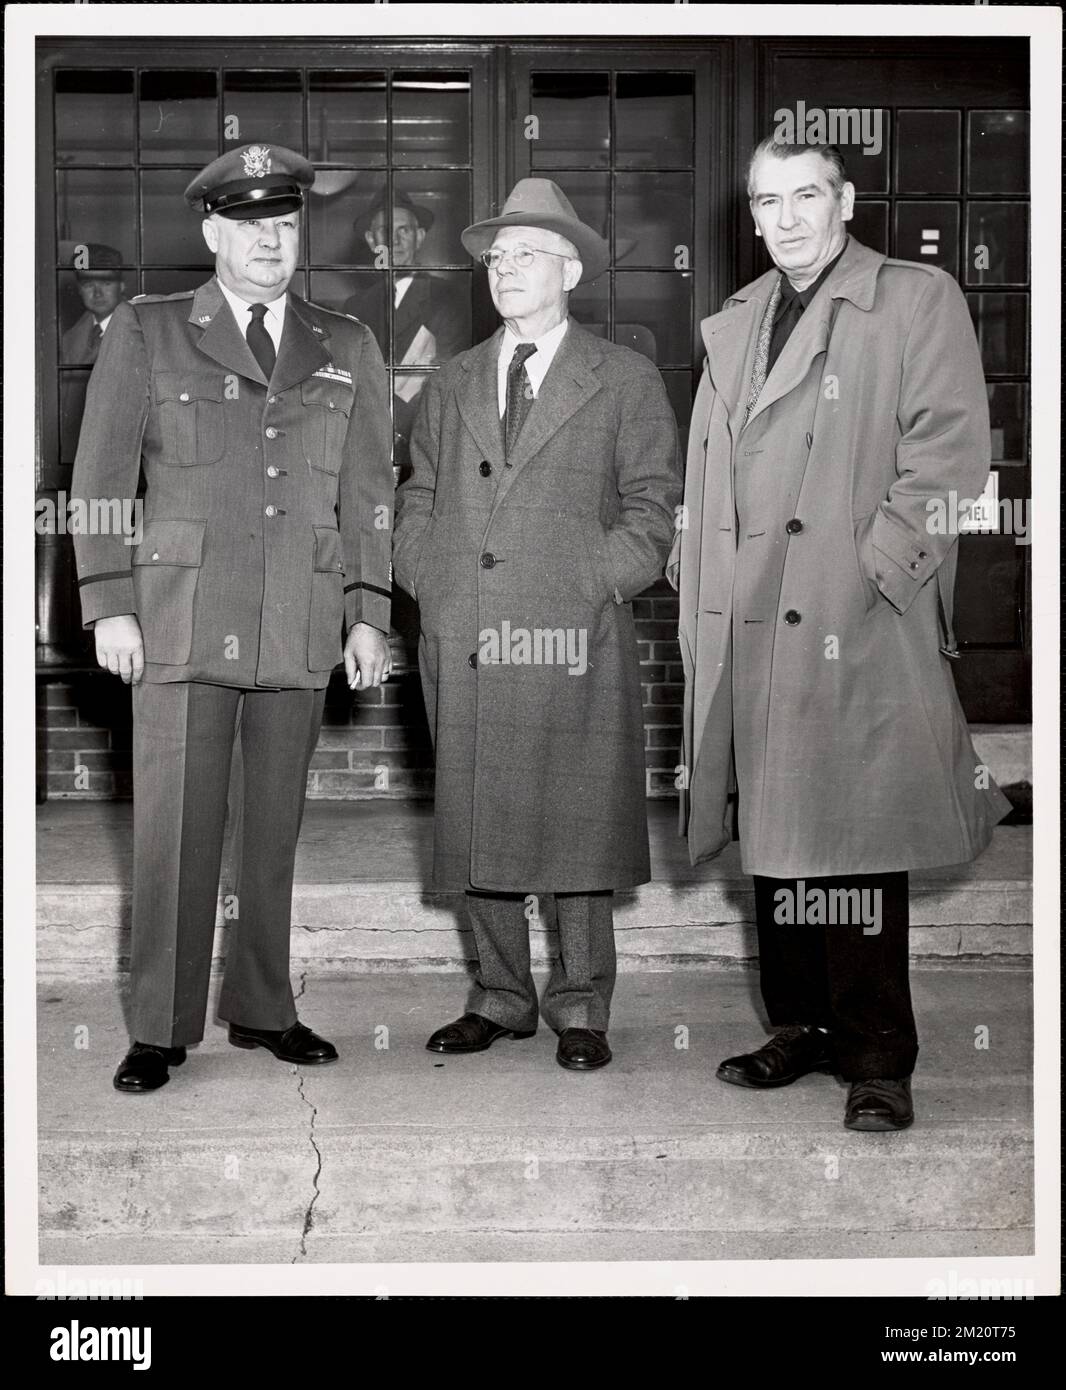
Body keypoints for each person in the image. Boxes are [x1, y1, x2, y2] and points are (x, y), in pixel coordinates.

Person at [668, 137, 1011, 1130]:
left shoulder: (911, 298)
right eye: (766, 200)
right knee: (776, 834)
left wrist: (877, 574)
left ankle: (876, 1052)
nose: (784, 218)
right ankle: (802, 1027)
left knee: (852, 840)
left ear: (844, 200)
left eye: (805, 195)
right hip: (752, 615)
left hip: (847, 615)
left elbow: (950, 461)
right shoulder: (735, 321)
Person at [71, 143, 394, 1092]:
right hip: (178, 618)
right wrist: (107, 605)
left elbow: (370, 492)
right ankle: (159, 1026)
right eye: (252, 227)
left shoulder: (347, 345)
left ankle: (263, 1007)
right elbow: (97, 481)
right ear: (212, 233)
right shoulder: (147, 330)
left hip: (298, 615)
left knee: (271, 833)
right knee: (174, 831)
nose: (272, 243)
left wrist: (367, 612)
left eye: (287, 226)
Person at [393, 179, 682, 1071]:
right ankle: (500, 996)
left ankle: (583, 1003)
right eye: (495, 257)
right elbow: (418, 495)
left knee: (579, 819)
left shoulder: (624, 375)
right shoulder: (450, 379)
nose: (504, 269)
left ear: (572, 268)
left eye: (525, 253)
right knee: (478, 818)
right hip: (467, 630)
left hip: (570, 633)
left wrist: (594, 581)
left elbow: (653, 507)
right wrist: (427, 579)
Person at [344, 191, 469, 477]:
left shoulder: (447, 298)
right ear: (371, 241)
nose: (395, 241)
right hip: (366, 450)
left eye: (405, 231)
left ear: (420, 237)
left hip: (423, 450)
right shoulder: (356, 306)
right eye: (385, 232)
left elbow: (446, 380)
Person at [61, 244, 127, 364]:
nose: (97, 293)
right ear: (79, 289)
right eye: (88, 284)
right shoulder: (69, 340)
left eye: (106, 283)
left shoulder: (142, 332)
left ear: (121, 285)